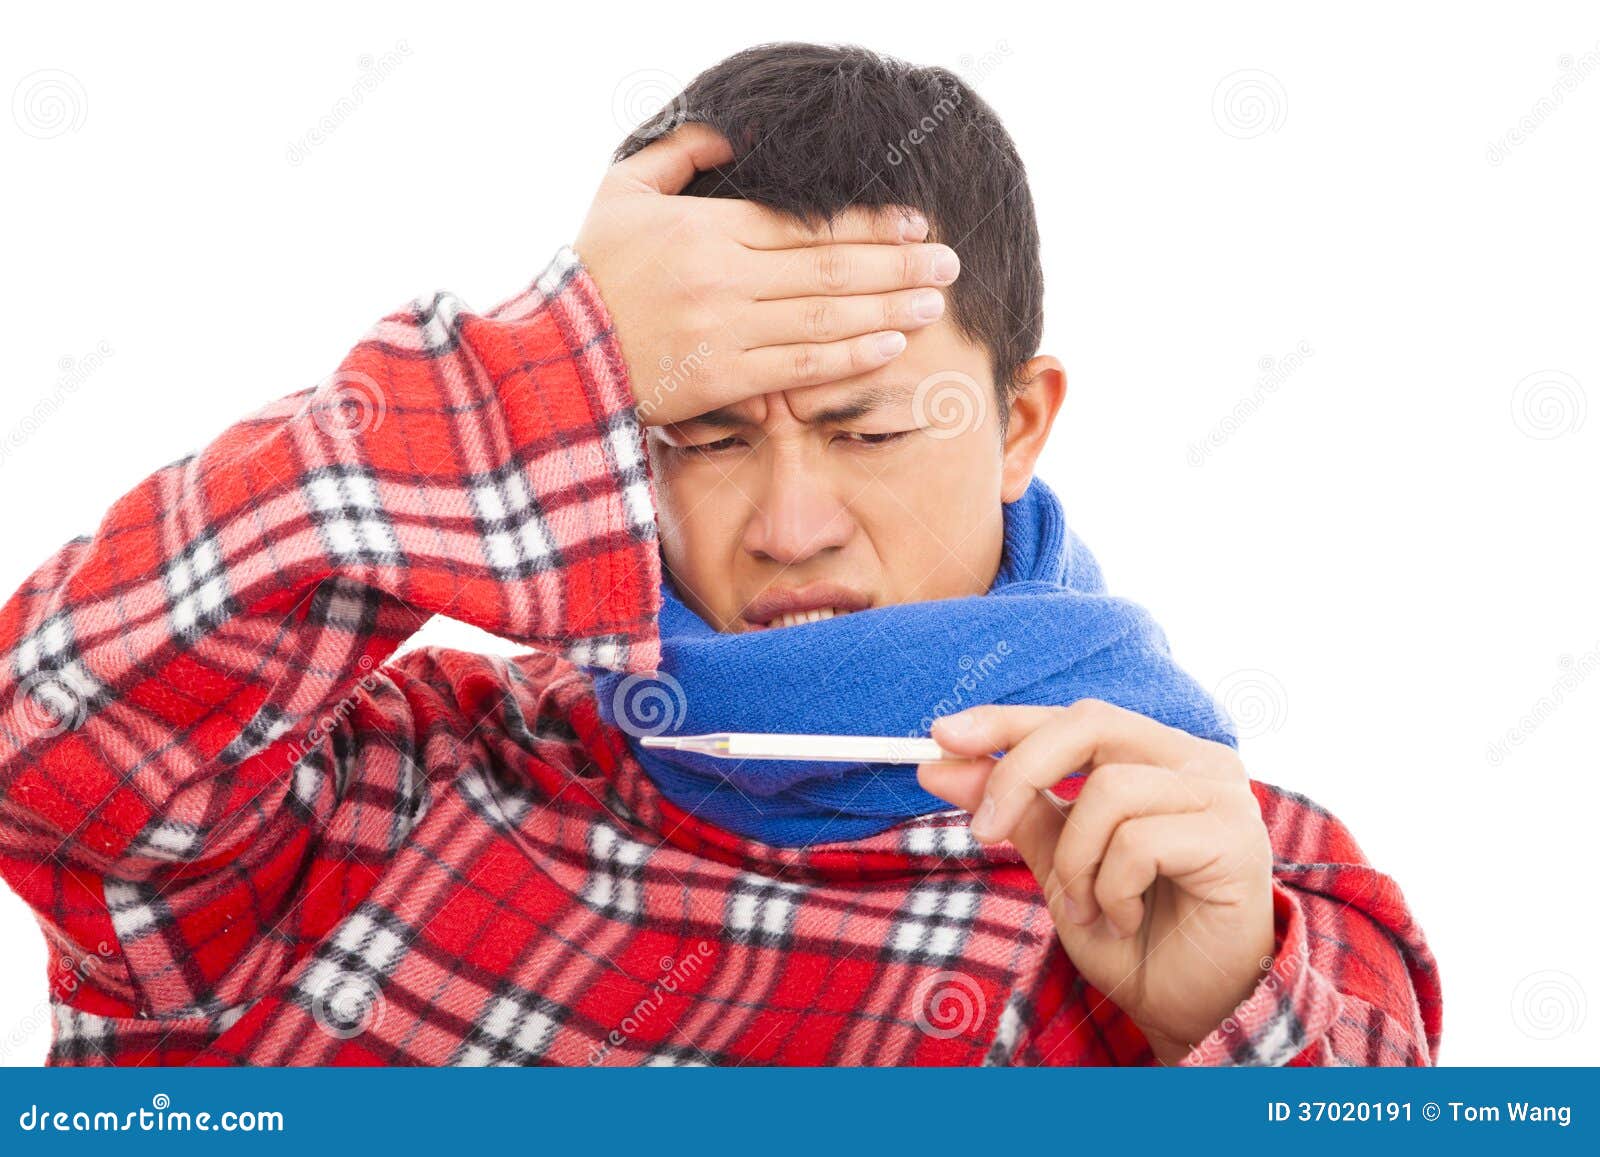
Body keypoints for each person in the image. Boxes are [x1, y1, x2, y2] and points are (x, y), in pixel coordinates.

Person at [0, 43, 1438, 1066]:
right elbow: (44, 752)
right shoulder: (378, 794)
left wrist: (1226, 1029)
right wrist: (530, 366)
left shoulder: (1241, 884)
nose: (790, 524)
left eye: (869, 428)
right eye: (702, 434)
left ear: (1018, 425)